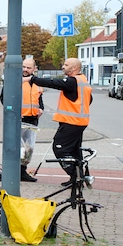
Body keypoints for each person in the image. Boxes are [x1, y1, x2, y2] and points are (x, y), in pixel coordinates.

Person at [28, 57, 92, 186]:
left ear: (74, 68)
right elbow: (89, 100)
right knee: (74, 151)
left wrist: (34, 79)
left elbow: (53, 83)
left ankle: (76, 176)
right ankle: (78, 179)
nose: (63, 66)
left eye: (66, 65)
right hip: (80, 122)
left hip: (71, 122)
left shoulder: (72, 82)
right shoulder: (83, 80)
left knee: (60, 149)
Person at [8, 57, 44, 182]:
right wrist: (13, 112)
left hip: (32, 120)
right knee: (16, 148)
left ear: (34, 69)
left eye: (28, 68)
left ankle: (22, 172)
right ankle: (13, 173)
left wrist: (41, 109)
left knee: (28, 149)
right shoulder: (13, 80)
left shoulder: (37, 82)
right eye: (23, 67)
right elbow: (5, 98)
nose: (25, 69)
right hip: (18, 120)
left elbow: (39, 99)